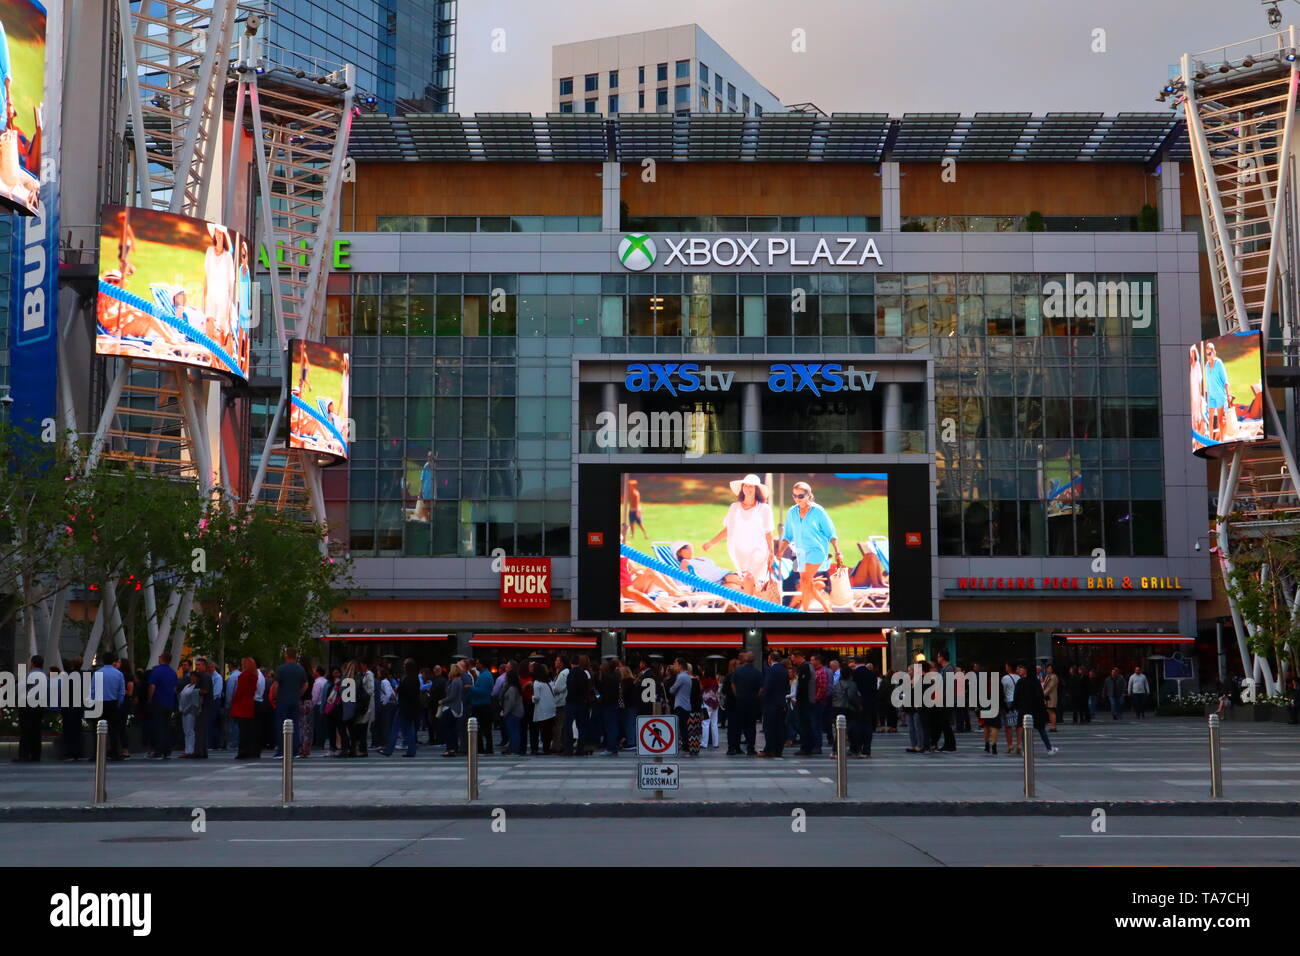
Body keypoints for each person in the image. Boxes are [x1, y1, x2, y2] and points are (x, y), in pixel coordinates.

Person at [775, 481, 843, 612]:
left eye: (800, 496)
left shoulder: (818, 511)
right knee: (806, 583)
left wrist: (838, 552)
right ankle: (822, 608)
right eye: (794, 496)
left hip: (817, 551)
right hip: (800, 552)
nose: (797, 499)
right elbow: (788, 535)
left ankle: (806, 612)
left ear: (809, 495)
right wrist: (781, 551)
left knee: (806, 581)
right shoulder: (792, 512)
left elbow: (831, 533)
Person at [702, 474, 776, 585]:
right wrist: (711, 543)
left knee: (751, 578)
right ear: (742, 488)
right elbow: (728, 529)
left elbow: (768, 532)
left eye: (751, 486)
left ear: (756, 489)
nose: (748, 489)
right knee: (747, 581)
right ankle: (748, 601)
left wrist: (771, 552)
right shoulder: (734, 507)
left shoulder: (764, 509)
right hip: (739, 550)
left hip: (758, 550)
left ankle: (751, 601)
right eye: (746, 486)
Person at [1011, 661, 1058, 755]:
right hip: (1037, 710)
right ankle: (1049, 748)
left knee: (1025, 729)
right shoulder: (1036, 682)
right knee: (1041, 729)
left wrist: (1016, 706)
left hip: (1024, 709)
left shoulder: (1021, 682)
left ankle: (1025, 750)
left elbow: (1016, 696)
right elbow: (1040, 696)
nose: (1021, 670)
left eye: (1023, 668)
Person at [273, 648, 308, 758]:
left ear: (286, 655)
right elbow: (306, 684)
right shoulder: (300, 669)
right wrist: (298, 694)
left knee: (282, 725)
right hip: (294, 700)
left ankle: (281, 751)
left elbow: (276, 685)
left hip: (283, 699)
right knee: (295, 725)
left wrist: (274, 696)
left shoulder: (281, 669)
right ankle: (295, 751)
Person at [146, 653, 178, 759]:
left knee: (158, 726)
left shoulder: (156, 671)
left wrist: (150, 699)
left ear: (162, 659)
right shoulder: (173, 673)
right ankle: (167, 750)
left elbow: (152, 686)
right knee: (166, 726)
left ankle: (158, 750)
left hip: (158, 702)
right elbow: (174, 689)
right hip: (169, 702)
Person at [729, 652, 762, 756]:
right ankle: (750, 748)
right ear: (753, 661)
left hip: (739, 702)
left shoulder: (737, 671)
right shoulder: (757, 672)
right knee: (751, 726)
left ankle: (734, 747)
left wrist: (737, 695)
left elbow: (733, 684)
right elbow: (761, 687)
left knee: (737, 725)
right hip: (752, 702)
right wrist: (756, 696)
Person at [829, 661, 862, 756]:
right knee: (852, 729)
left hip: (836, 707)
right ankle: (854, 750)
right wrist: (858, 706)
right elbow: (851, 696)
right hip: (847, 708)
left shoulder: (837, 684)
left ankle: (835, 751)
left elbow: (832, 695)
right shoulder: (852, 684)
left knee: (839, 730)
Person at [231, 658, 261, 759]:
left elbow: (240, 691)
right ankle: (250, 750)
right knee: (249, 730)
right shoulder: (255, 675)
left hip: (242, 704)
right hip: (250, 704)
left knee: (242, 730)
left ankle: (242, 751)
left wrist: (233, 700)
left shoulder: (243, 676)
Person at [759, 652, 788, 757]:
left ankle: (769, 749)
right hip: (781, 702)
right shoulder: (784, 670)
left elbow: (767, 687)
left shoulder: (770, 670)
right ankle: (778, 750)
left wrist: (762, 698)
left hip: (771, 703)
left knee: (769, 727)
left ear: (770, 658)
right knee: (780, 727)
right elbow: (786, 687)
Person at [851, 657, 879, 757]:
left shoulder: (854, 674)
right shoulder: (871, 674)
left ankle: (856, 748)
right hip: (869, 704)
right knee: (868, 726)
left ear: (854, 662)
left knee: (857, 726)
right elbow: (874, 690)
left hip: (857, 704)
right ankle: (867, 749)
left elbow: (853, 690)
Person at [1203, 339, 1230, 443]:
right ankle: (1210, 440)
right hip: (1211, 395)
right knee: (1210, 419)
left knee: (1219, 419)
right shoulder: (1206, 366)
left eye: (1209, 353)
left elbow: (1226, 381)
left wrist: (1228, 395)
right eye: (1207, 354)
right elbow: (1208, 382)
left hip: (1220, 395)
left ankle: (1222, 440)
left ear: (1213, 352)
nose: (1208, 356)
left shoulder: (1219, 363)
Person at [565, 656, 592, 755]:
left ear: (571, 663)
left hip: (572, 702)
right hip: (582, 703)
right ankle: (580, 748)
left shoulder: (571, 673)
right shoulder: (584, 673)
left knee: (568, 726)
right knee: (581, 726)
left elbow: (570, 688)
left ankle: (569, 749)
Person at [437, 662, 465, 757]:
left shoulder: (455, 682)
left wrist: (442, 701)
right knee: (452, 729)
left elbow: (452, 696)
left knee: (446, 728)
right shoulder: (458, 681)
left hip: (451, 707)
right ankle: (454, 747)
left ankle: (450, 748)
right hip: (456, 708)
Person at [470, 660, 495, 754]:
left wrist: (470, 688)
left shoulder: (485, 675)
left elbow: (482, 691)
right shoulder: (484, 674)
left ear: (481, 664)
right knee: (485, 728)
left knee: (483, 728)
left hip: (481, 705)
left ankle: (484, 748)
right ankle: (486, 748)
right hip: (482, 704)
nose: (476, 665)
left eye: (477, 663)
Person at [531, 663, 557, 754]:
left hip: (542, 709)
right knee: (549, 729)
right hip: (551, 708)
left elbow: (537, 698)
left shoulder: (537, 683)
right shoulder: (550, 681)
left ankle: (545, 748)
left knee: (543, 729)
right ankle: (548, 747)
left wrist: (532, 697)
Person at [500, 670, 525, 756]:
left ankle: (514, 748)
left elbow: (511, 702)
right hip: (516, 712)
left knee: (513, 731)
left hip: (513, 713)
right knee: (514, 730)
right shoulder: (515, 687)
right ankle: (512, 747)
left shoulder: (511, 688)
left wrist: (505, 712)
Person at [1000, 661, 1020, 755]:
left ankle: (1010, 745)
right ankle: (1019, 744)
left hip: (1008, 702)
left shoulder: (1005, 678)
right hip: (1017, 702)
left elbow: (1002, 691)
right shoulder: (1019, 677)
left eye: (1006, 665)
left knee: (1008, 726)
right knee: (1018, 725)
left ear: (1009, 667)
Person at [700, 667, 721, 749]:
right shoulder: (715, 681)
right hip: (715, 704)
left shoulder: (704, 680)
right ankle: (716, 743)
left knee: (705, 723)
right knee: (714, 724)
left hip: (706, 704)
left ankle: (704, 743)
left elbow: (701, 689)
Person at [1042, 664, 1060, 731]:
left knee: (1051, 711)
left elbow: (1050, 687)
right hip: (1047, 696)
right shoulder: (1047, 676)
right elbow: (1044, 685)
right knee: (1049, 711)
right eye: (1047, 668)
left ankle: (1054, 726)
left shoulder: (1054, 676)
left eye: (1049, 668)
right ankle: (1052, 725)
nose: (1048, 670)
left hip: (1051, 696)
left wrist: (1043, 694)